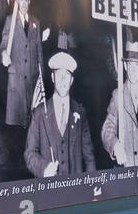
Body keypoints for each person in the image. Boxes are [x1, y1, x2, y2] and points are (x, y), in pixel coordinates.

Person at [24, 51, 96, 179]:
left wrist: (93, 183)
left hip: (75, 190)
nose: (63, 80)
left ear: (72, 80)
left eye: (67, 75)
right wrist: (43, 168)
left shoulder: (80, 113)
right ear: (52, 77)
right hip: (48, 191)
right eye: (59, 74)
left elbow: (89, 156)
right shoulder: (39, 113)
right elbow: (30, 153)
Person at [0, 0, 45, 169]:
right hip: (16, 79)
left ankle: (30, 160)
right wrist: (4, 53)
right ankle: (17, 161)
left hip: (32, 79)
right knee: (17, 122)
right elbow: (4, 43)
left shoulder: (35, 22)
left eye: (27, 0)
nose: (25, 3)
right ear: (16, 1)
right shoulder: (10, 21)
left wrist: (41, 74)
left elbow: (39, 50)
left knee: (31, 121)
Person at [101, 41, 138, 167]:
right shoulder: (117, 95)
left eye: (136, 65)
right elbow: (107, 129)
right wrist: (115, 145)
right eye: (130, 64)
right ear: (125, 67)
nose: (133, 69)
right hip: (126, 166)